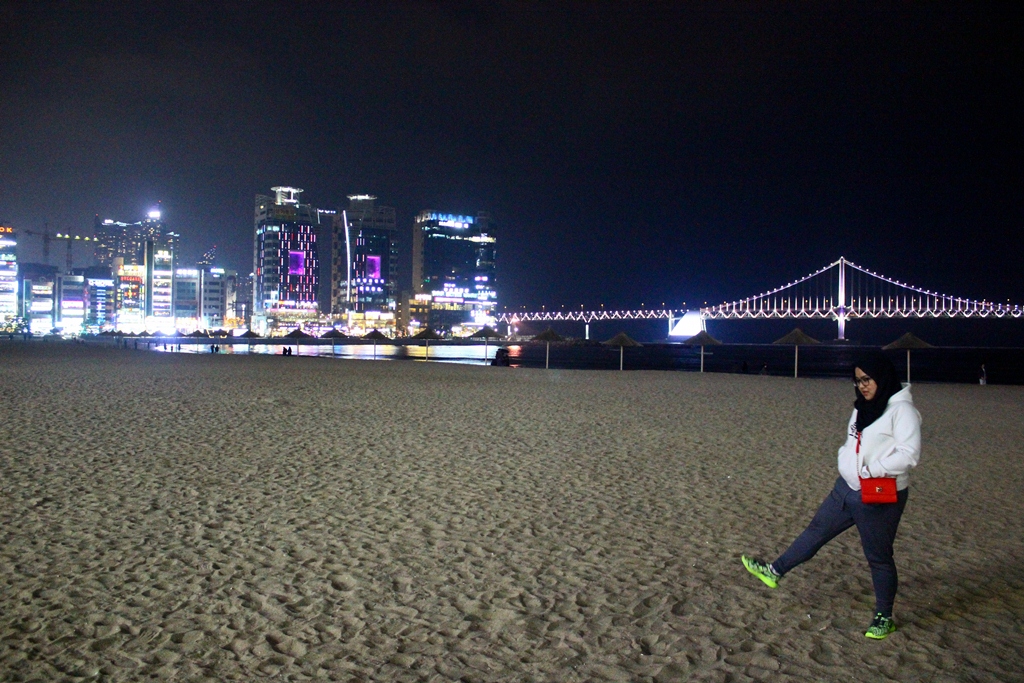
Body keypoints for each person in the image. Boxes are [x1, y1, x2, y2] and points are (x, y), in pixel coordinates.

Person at [741, 352, 921, 640]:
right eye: (858, 380)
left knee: (878, 558)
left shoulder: (903, 412)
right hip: (846, 487)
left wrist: (871, 469)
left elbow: (909, 454)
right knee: (816, 531)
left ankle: (884, 617)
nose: (862, 386)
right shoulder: (862, 407)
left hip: (878, 493)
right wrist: (846, 460)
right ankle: (774, 570)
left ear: (882, 377)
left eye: (867, 379)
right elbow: (852, 440)